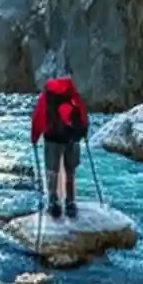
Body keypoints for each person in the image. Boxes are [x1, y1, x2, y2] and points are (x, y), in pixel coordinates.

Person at [29, 75, 89, 219]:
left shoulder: (47, 96)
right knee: (70, 171)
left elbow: (38, 116)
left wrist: (34, 137)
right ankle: (70, 202)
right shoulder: (72, 94)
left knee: (52, 171)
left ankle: (53, 202)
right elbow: (82, 114)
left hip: (52, 138)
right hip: (72, 138)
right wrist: (84, 133)